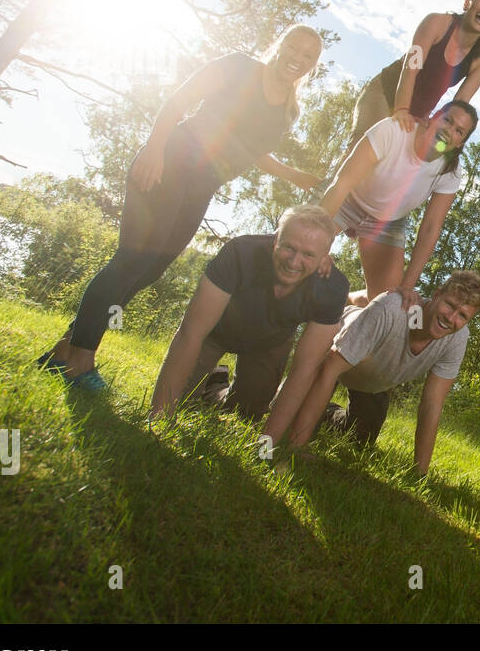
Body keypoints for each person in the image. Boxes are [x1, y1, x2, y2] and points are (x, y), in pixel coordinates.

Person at [39, 25, 326, 391]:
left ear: (312, 66)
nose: (297, 59)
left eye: (308, 56)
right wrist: (154, 149)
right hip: (171, 161)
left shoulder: (289, 110)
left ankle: (66, 348)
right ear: (280, 46)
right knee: (131, 260)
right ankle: (81, 361)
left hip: (202, 186)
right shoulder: (240, 67)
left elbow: (251, 149)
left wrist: (291, 173)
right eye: (294, 47)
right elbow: (180, 99)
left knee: (150, 270)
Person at [262, 270, 480, 476]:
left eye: (463, 315)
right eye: (450, 305)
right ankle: (279, 399)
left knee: (361, 437)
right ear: (438, 294)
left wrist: (419, 474)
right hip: (336, 352)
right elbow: (330, 369)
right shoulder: (394, 309)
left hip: (373, 376)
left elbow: (432, 404)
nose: (451, 318)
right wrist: (297, 446)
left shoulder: (457, 339)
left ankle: (325, 413)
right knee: (285, 410)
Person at [148, 205, 349, 421]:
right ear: (275, 241)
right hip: (215, 332)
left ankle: (216, 387)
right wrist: (158, 418)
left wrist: (269, 446)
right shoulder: (240, 252)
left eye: (309, 254)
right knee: (180, 399)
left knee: (245, 415)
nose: (293, 262)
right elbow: (190, 333)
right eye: (288, 247)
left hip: (271, 342)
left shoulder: (331, 287)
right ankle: (206, 382)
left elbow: (304, 370)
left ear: (324, 257)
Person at [318, 100, 477, 309]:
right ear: (434, 116)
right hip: (348, 199)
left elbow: (431, 228)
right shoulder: (394, 130)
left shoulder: (450, 172)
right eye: (447, 120)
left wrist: (407, 286)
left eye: (459, 131)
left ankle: (347, 299)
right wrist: (317, 244)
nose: (449, 131)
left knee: (389, 303)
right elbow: (342, 184)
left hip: (386, 221)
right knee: (297, 249)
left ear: (459, 143)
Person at [348, 0, 480, 150]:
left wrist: (433, 126)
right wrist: (401, 109)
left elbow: (459, 104)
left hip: (417, 116)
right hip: (384, 93)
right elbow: (410, 68)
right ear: (467, 3)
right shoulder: (436, 22)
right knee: (367, 149)